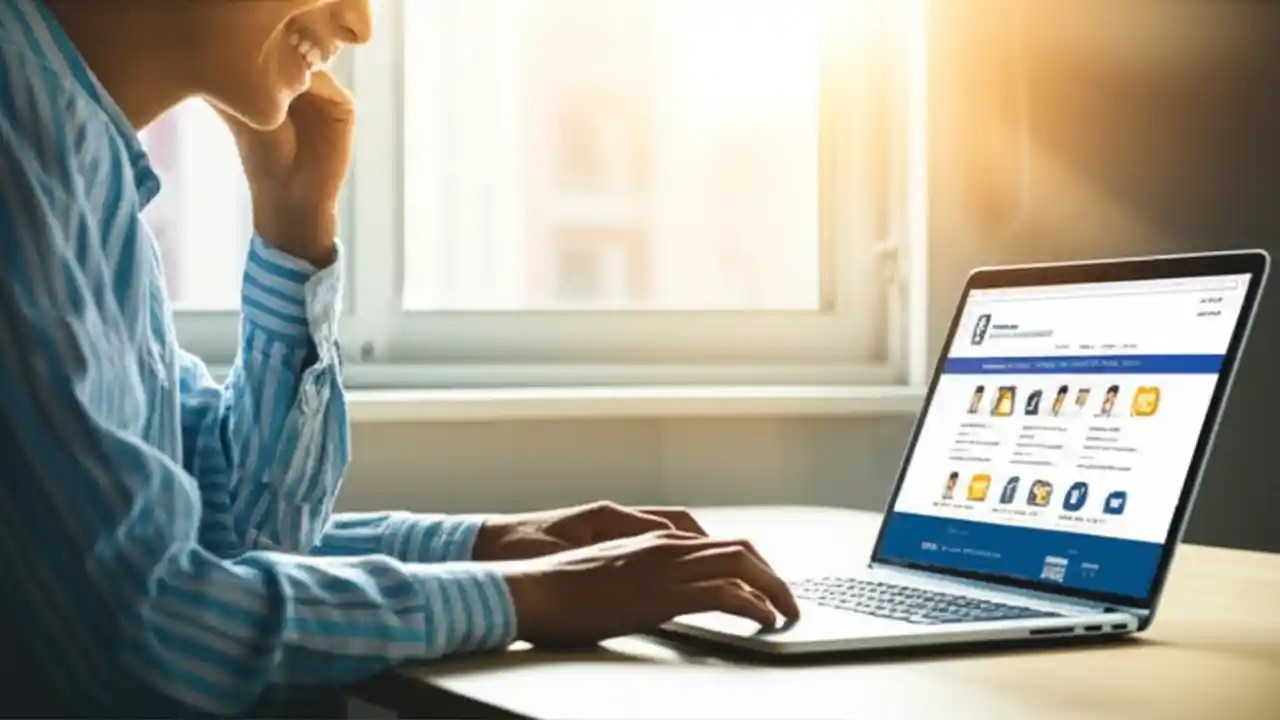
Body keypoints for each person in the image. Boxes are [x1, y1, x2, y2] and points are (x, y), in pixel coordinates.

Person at [0, 1, 798, 716]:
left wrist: (295, 223)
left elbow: (232, 532)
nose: (358, 24)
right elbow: (146, 632)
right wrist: (536, 595)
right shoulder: (17, 154)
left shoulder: (77, 158)